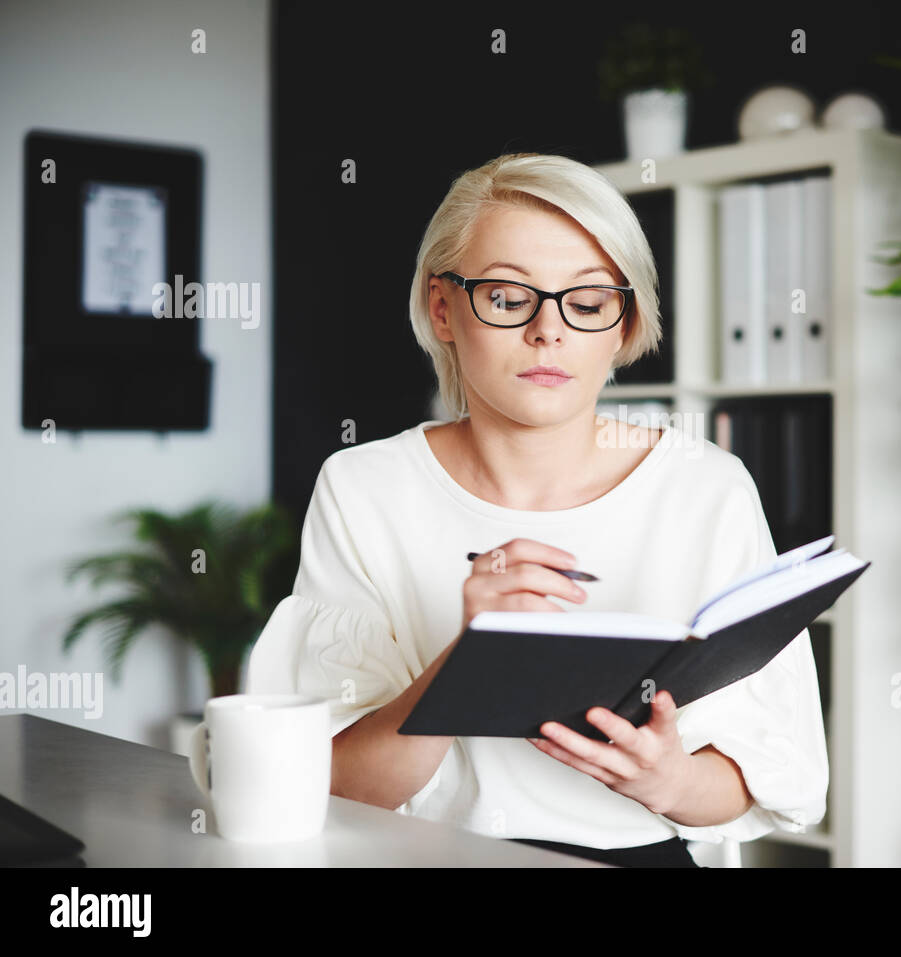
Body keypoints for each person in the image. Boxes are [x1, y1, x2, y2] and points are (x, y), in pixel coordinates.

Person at [245, 152, 828, 868]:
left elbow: (765, 780)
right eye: (508, 297)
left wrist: (669, 778)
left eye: (586, 303)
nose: (548, 331)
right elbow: (335, 784)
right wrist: (469, 660)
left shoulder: (708, 488)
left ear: (622, 324)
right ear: (443, 308)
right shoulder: (364, 486)